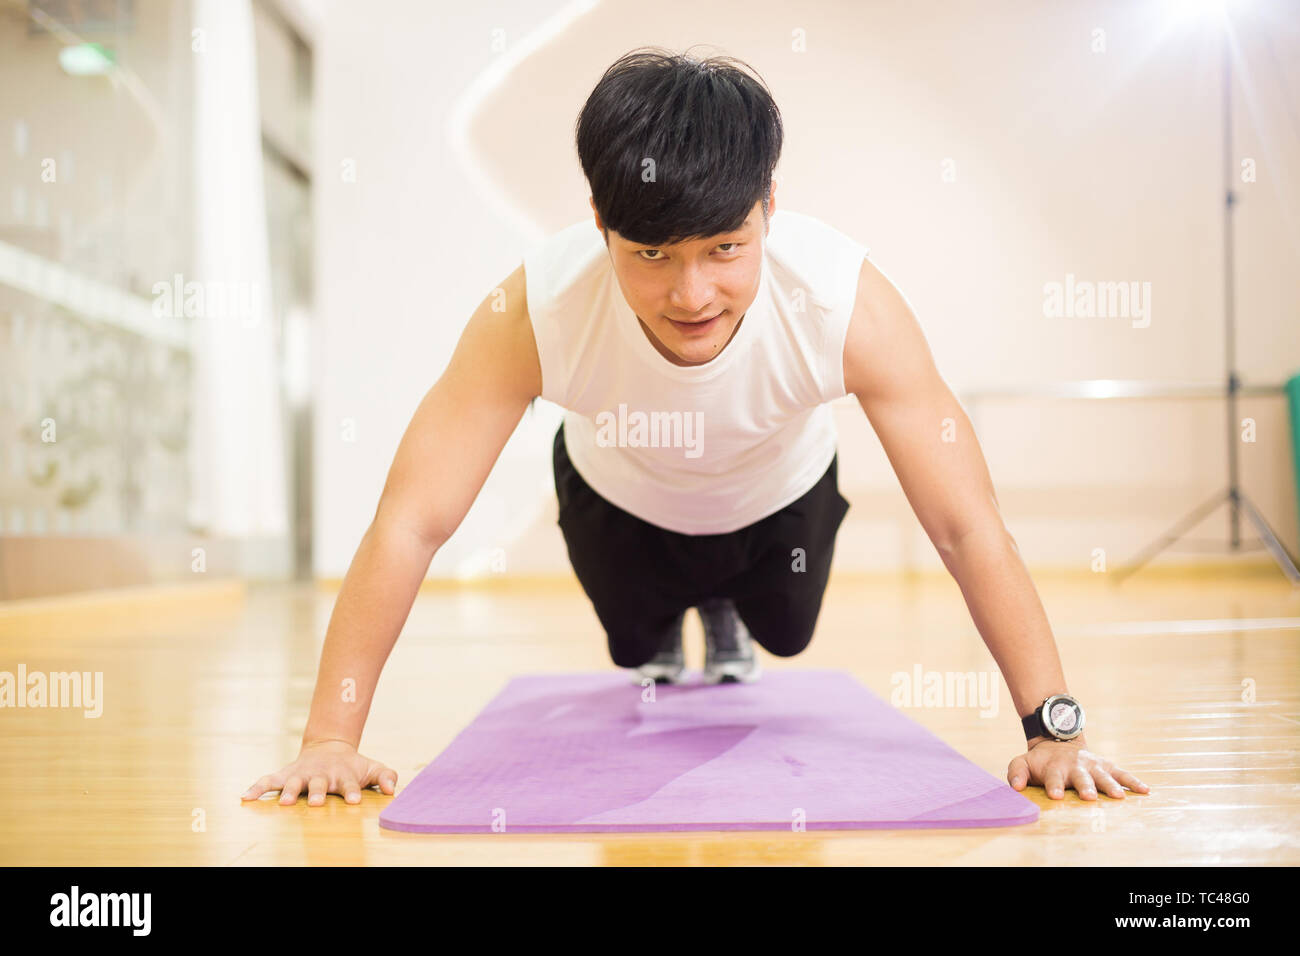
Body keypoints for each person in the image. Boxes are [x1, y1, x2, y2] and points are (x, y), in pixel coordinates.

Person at [243, 47, 1149, 810]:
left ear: (767, 210)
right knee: (636, 651)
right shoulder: (532, 311)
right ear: (600, 222)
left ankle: (727, 606)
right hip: (620, 500)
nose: (692, 295)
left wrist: (1053, 728)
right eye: (650, 256)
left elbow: (966, 524)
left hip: (779, 500)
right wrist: (329, 737)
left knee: (786, 635)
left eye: (725, 248)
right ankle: (679, 611)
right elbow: (411, 521)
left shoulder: (844, 301)